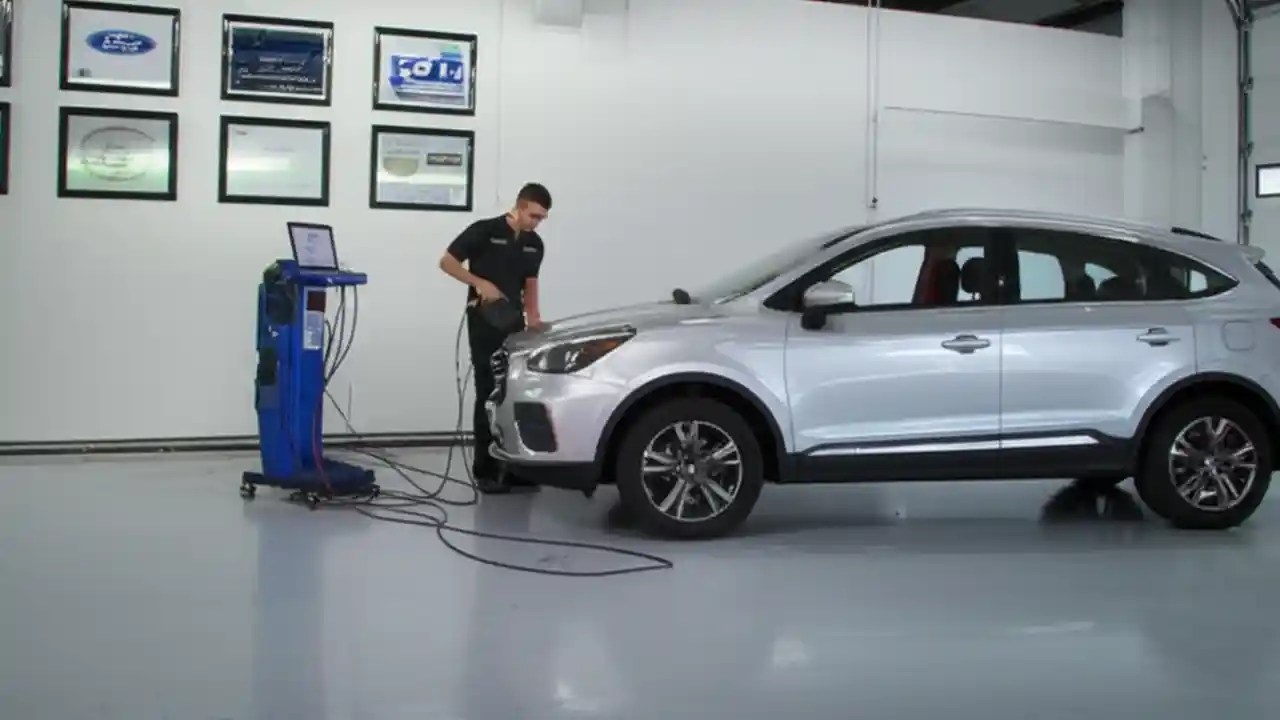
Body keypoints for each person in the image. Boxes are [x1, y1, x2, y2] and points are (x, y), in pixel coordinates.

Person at [439, 183, 552, 494]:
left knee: (516, 392)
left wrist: (535, 320)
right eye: (533, 215)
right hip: (484, 321)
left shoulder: (535, 245)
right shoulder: (484, 231)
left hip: (514, 325)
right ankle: (486, 470)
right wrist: (479, 283)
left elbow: (530, 285)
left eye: (542, 218)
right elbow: (447, 262)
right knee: (488, 390)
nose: (536, 222)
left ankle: (515, 468)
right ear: (520, 206)